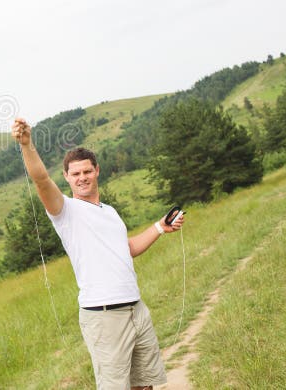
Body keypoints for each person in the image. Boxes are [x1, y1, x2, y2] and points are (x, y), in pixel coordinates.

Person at [12, 117, 183, 390]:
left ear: (97, 171)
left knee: (145, 385)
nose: (82, 178)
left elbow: (127, 249)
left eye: (87, 171)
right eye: (75, 174)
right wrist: (26, 144)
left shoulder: (110, 212)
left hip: (136, 308)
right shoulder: (65, 211)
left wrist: (160, 227)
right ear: (66, 177)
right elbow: (42, 180)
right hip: (104, 316)